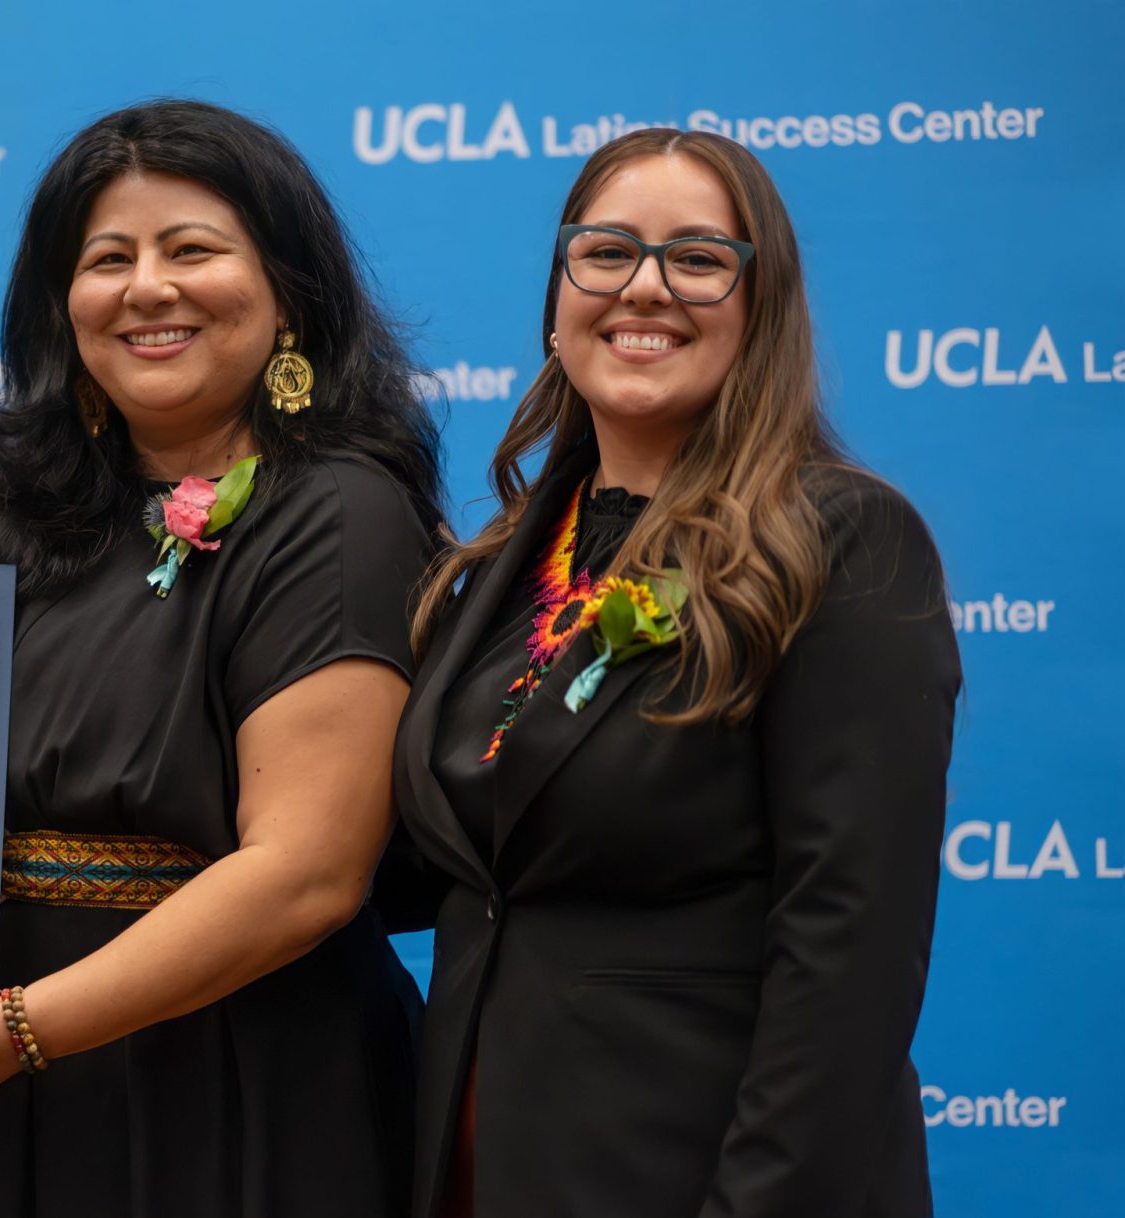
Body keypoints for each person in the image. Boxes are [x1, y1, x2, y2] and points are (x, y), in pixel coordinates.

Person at [0, 100, 445, 1217]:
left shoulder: (340, 516)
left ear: (288, 292)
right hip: (0, 1086)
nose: (145, 288)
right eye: (106, 258)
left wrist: (24, 1030)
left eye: (192, 250)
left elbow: (304, 875)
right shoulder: (16, 513)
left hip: (232, 1078)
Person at [392, 129, 962, 1218]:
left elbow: (846, 958)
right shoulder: (502, 564)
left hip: (704, 1179)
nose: (643, 287)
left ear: (760, 307)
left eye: (697, 258)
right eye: (604, 251)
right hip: (478, 1170)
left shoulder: (840, 543)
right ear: (558, 300)